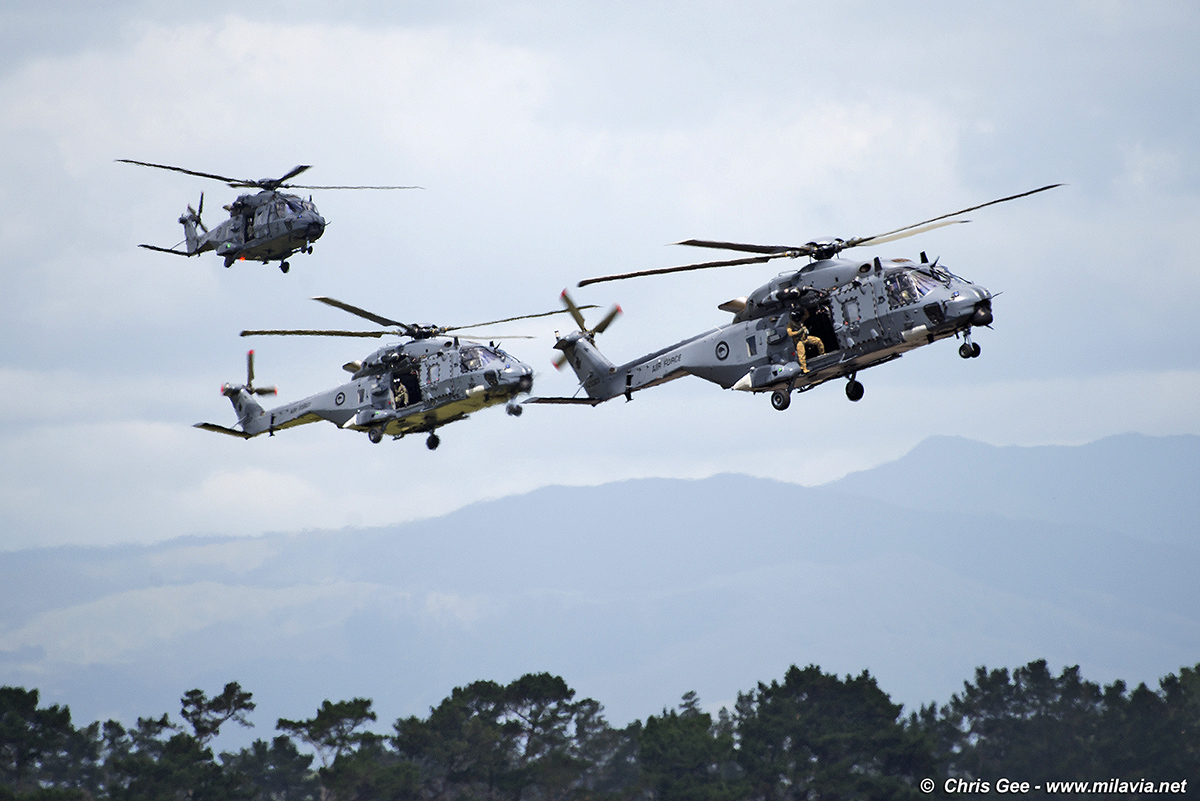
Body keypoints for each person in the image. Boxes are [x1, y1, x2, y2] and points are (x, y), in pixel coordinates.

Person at [787, 308, 825, 373]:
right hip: (799, 341)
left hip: (805, 338)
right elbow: (790, 334)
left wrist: (803, 308)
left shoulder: (800, 321)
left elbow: (807, 315)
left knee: (818, 341)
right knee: (801, 354)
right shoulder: (790, 325)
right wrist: (799, 332)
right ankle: (804, 368)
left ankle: (822, 354)